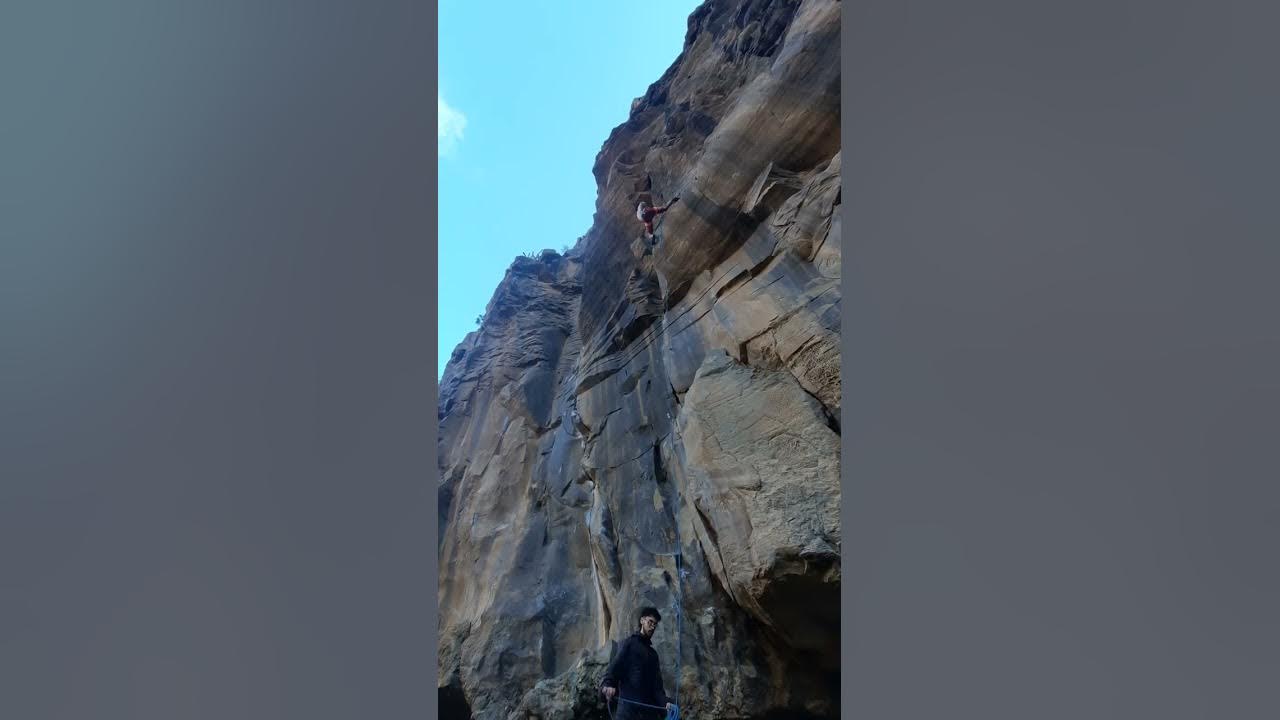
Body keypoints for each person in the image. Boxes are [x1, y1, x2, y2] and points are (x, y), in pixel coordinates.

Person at [600, 607, 677, 720]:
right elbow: (614, 669)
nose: (652, 627)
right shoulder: (629, 643)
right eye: (650, 622)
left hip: (646, 713)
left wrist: (666, 703)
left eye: (655, 625)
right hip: (627, 712)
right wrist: (608, 685)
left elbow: (657, 689)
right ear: (642, 621)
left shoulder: (653, 655)